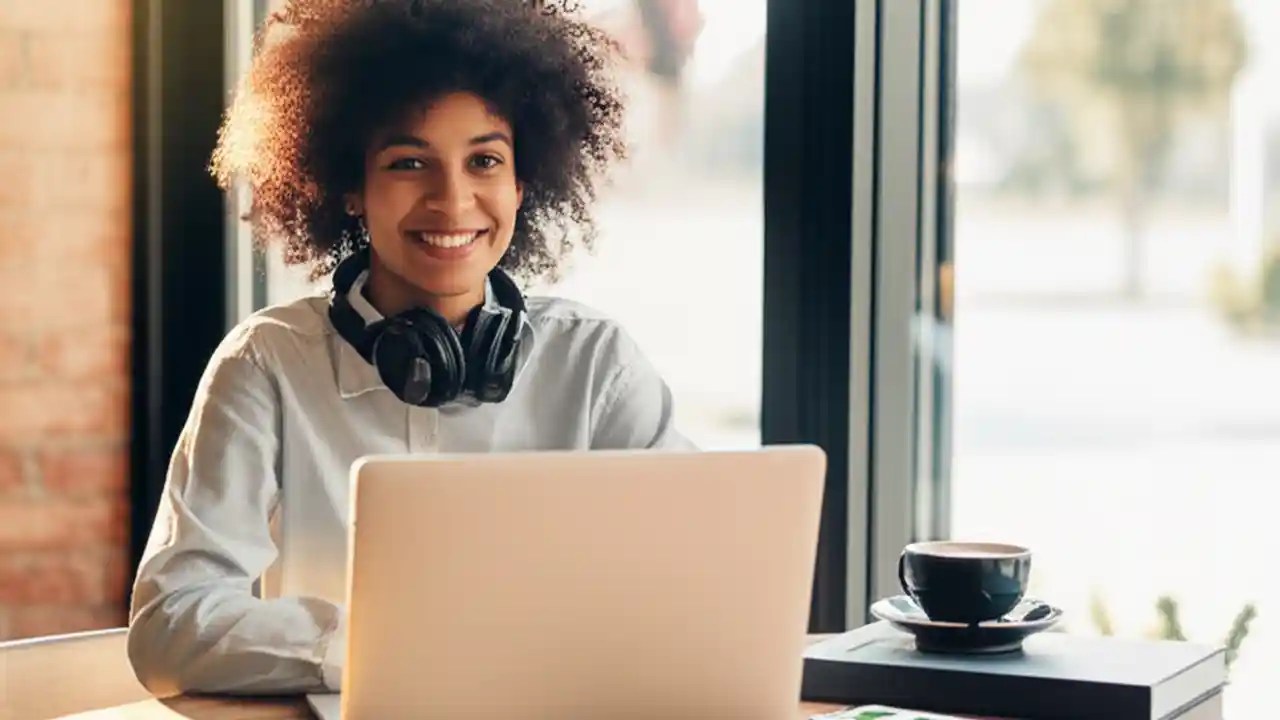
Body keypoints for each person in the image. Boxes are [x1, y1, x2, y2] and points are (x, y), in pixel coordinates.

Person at [127, 0, 691, 696]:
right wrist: (394, 647)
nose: (452, 202)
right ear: (350, 186)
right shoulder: (266, 366)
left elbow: (695, 588)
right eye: (408, 163)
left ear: (522, 182)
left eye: (484, 160)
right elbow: (172, 625)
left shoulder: (596, 364)